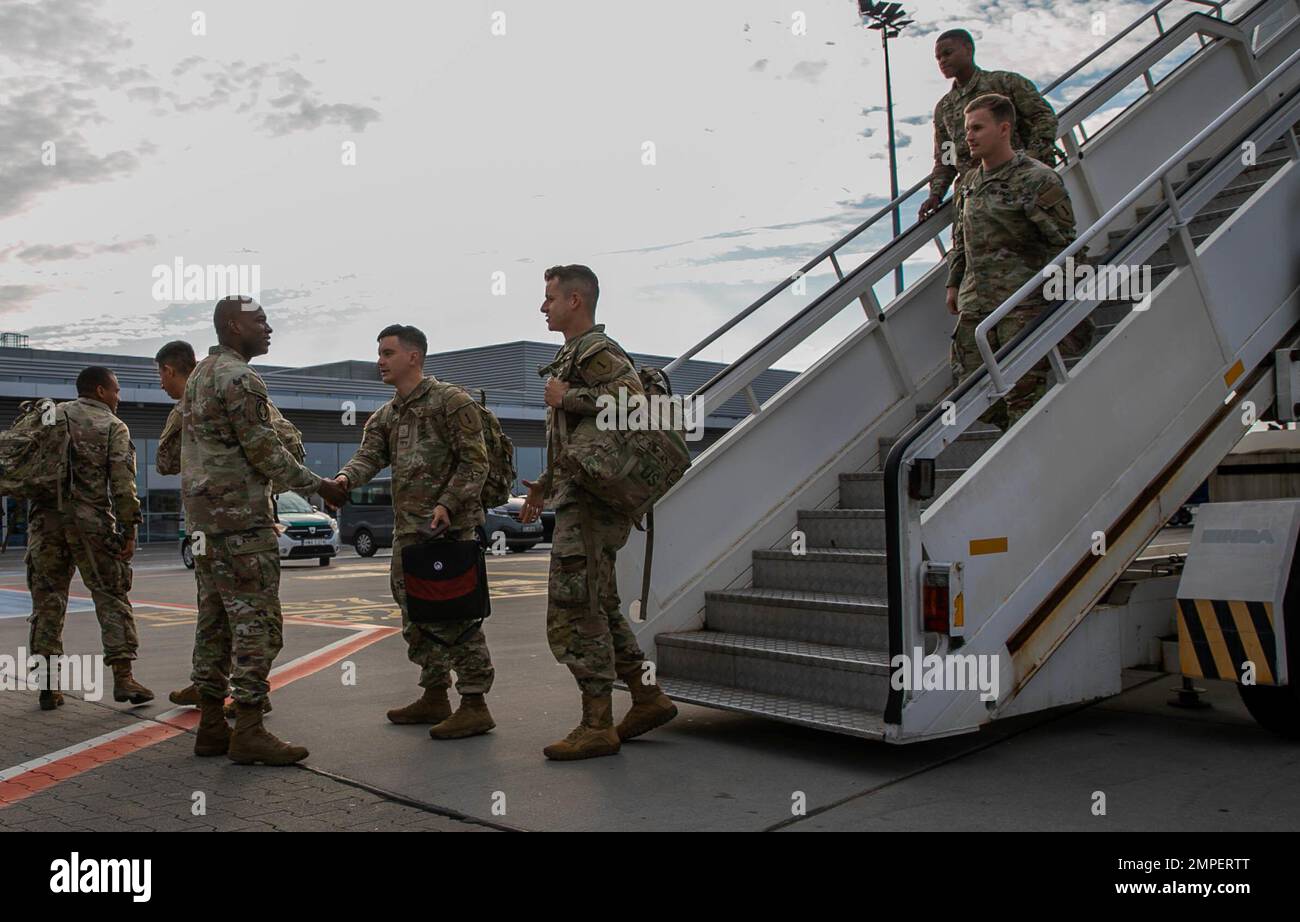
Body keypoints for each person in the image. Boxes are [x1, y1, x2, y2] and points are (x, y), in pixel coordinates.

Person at [520, 264, 677, 761]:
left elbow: (632, 404)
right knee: (600, 602)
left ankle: (596, 724)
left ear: (575, 301)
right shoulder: (574, 354)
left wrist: (571, 396)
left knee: (576, 607)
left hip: (592, 504)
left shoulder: (595, 350)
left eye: (549, 298)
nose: (543, 306)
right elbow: (580, 436)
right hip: (580, 492)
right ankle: (647, 697)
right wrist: (546, 483)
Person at [182, 296, 348, 764]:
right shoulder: (240, 378)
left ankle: (212, 725)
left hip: (205, 525)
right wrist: (321, 487)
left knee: (213, 623)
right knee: (258, 627)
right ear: (234, 327)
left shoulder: (198, 374)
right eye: (260, 321)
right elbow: (266, 453)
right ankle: (250, 727)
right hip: (241, 523)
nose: (269, 328)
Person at [331, 325, 497, 739]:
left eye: (388, 353)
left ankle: (475, 703)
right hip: (409, 535)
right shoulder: (388, 415)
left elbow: (475, 462)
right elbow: (368, 457)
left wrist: (448, 504)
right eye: (379, 353)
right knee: (415, 614)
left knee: (457, 615)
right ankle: (435, 695)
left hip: (450, 531)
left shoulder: (451, 402)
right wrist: (343, 480)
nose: (380, 361)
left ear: (414, 357)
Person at [946, 93, 1091, 430]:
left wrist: (1067, 304)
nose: (969, 136)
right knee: (969, 394)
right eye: (968, 129)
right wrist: (954, 283)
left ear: (1004, 129)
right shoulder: (967, 183)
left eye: (978, 128)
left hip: (1021, 305)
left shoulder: (1036, 179)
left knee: (1023, 397)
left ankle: (1030, 461)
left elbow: (1065, 245)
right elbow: (960, 239)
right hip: (975, 305)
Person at [27, 366, 153, 710]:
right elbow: (123, 484)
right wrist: (129, 530)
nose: (118, 397)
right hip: (90, 522)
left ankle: (48, 686)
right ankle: (124, 678)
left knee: (47, 603)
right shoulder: (112, 426)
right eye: (115, 390)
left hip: (45, 523)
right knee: (111, 595)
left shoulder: (50, 416)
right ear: (100, 391)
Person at [917, 29, 1059, 221]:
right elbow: (946, 158)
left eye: (947, 53)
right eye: (938, 57)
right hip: (973, 197)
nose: (942, 61)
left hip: (1017, 190)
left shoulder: (1005, 83)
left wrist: (1031, 159)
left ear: (968, 50)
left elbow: (1044, 117)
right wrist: (935, 195)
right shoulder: (944, 108)